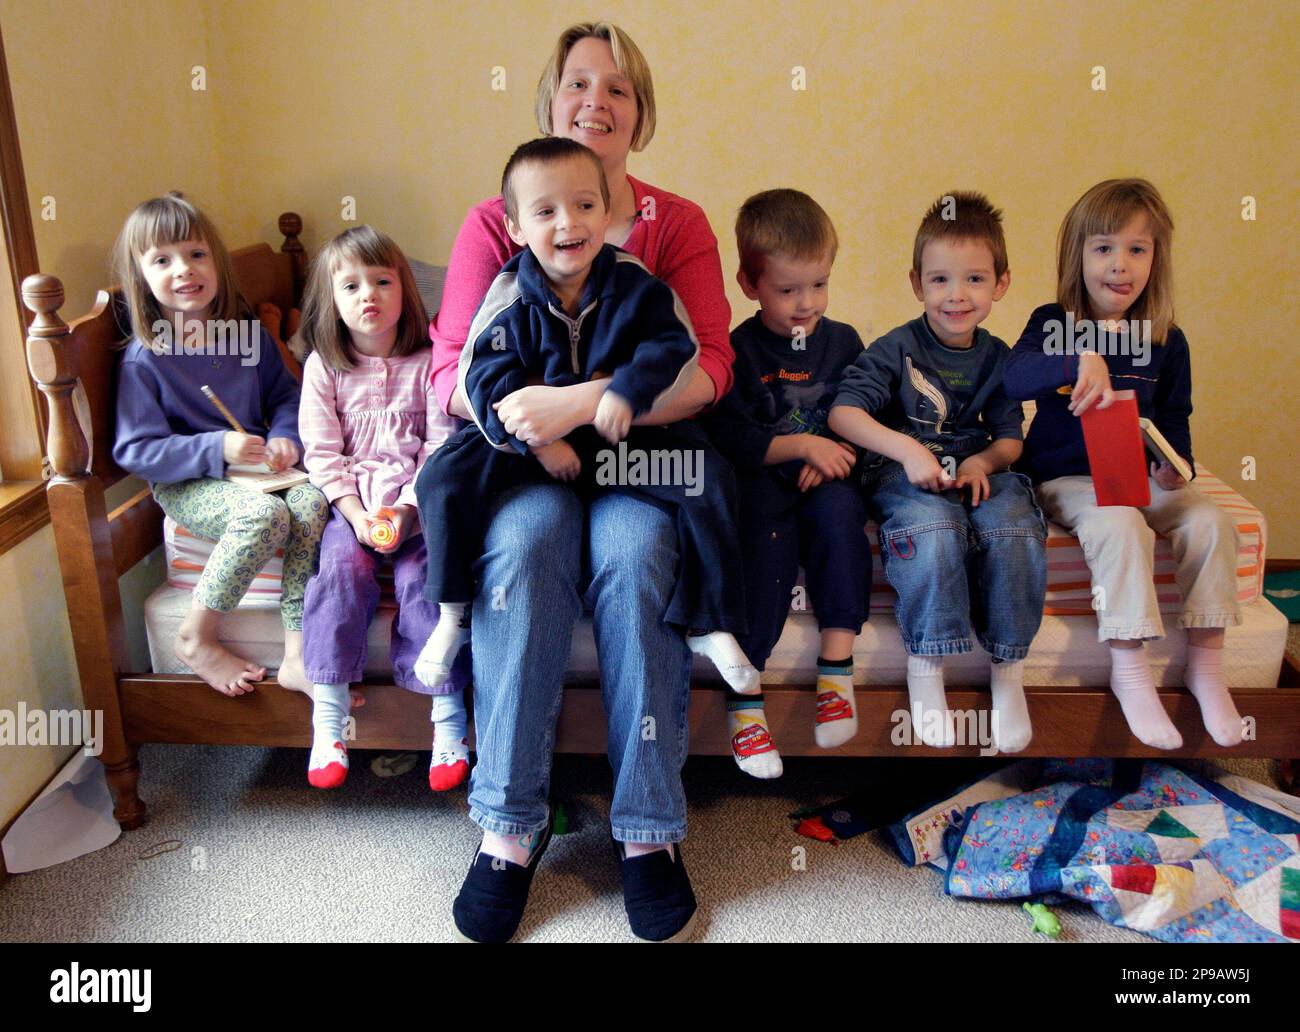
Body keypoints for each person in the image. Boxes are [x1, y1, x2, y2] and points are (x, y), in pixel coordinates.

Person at [429, 22, 733, 943]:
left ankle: (646, 832)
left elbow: (711, 365)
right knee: (523, 548)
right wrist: (539, 420)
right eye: (577, 84)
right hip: (528, 463)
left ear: (641, 116)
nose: (595, 101)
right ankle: (508, 827)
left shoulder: (672, 226)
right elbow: (450, 374)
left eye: (619, 89)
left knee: (637, 553)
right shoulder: (496, 219)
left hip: (635, 450)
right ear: (549, 102)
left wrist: (589, 400)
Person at [415, 138, 756, 694]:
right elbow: (479, 378)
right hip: (534, 453)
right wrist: (535, 443)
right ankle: (452, 615)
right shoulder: (509, 295)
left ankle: (710, 620)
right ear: (517, 228)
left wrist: (620, 392)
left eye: (584, 205)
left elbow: (675, 347)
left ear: (606, 213)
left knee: (707, 477)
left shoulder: (635, 284)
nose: (568, 222)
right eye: (546, 211)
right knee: (441, 477)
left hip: (616, 447)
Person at [1003, 178, 1243, 749]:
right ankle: (1130, 668)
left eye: (1137, 249)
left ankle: (1206, 667)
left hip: (1139, 476)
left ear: (1155, 259)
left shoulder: (1168, 338)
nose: (1120, 265)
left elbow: (1176, 418)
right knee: (1119, 524)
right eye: (1104, 248)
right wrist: (1078, 357)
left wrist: (1174, 464)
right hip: (1070, 478)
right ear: (1078, 255)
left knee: (1212, 521)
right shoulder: (1053, 321)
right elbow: (1013, 378)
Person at [830, 191, 1047, 753]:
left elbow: (1010, 439)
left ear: (1001, 283)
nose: (957, 295)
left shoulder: (1001, 357)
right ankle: (926, 667)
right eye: (941, 280)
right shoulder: (897, 347)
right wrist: (905, 450)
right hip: (907, 470)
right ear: (917, 283)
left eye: (974, 279)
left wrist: (983, 461)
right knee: (933, 529)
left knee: (1016, 526)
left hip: (977, 468)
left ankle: (1008, 671)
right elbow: (844, 413)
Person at [111, 192, 327, 698]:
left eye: (196, 254)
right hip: (188, 482)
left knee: (313, 504)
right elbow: (137, 450)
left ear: (216, 262)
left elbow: (286, 398)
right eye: (162, 260)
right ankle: (195, 634)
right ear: (140, 276)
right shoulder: (146, 359)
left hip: (259, 472)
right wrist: (217, 448)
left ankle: (296, 652)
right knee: (264, 517)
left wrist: (283, 439)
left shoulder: (246, 335)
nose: (184, 269)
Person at [295, 226, 470, 790]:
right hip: (352, 509)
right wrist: (356, 514)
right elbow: (322, 455)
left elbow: (441, 447)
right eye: (350, 286)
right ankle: (328, 725)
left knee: (429, 582)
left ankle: (448, 727)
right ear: (331, 301)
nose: (367, 294)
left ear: (404, 292)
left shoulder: (427, 362)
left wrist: (405, 511)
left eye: (381, 281)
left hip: (416, 510)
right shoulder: (324, 367)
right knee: (339, 573)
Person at [702, 189, 870, 778]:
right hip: (762, 477)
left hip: (828, 479)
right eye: (788, 289)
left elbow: (867, 411)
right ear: (749, 283)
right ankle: (746, 700)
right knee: (761, 541)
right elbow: (734, 438)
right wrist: (804, 445)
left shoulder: (845, 343)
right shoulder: (739, 350)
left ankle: (836, 669)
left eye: (819, 285)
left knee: (841, 518)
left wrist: (837, 452)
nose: (806, 303)